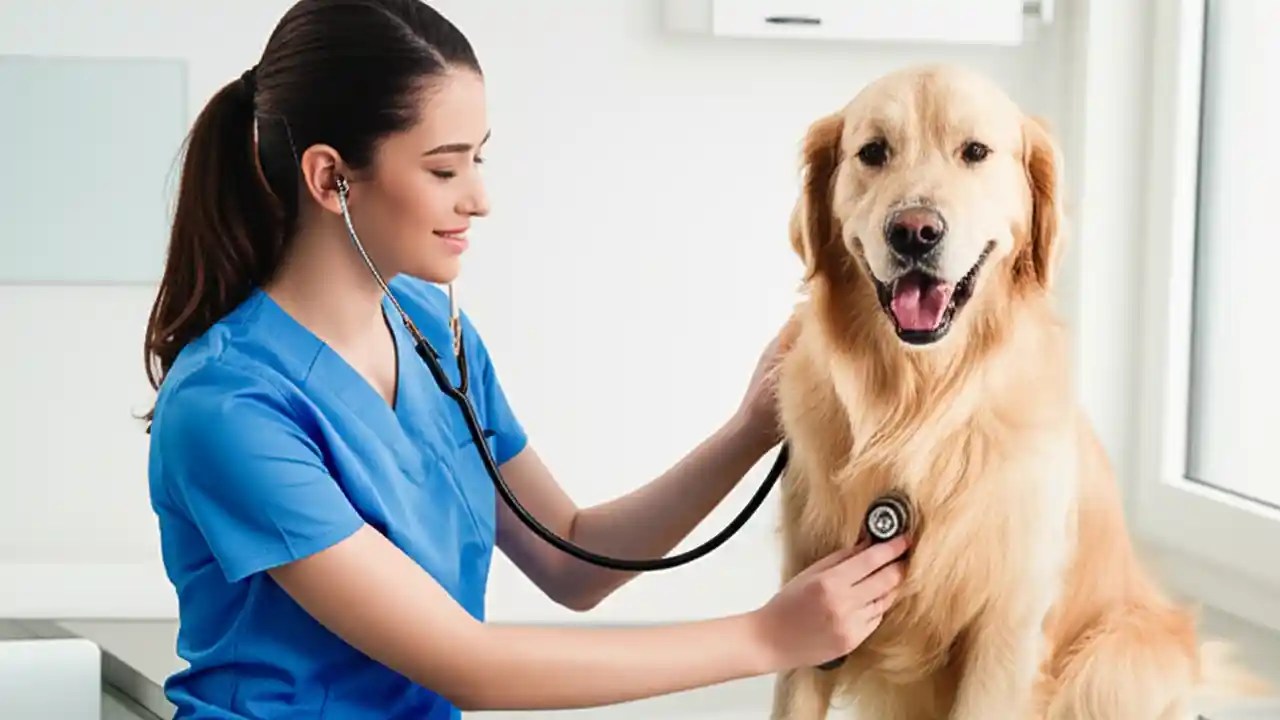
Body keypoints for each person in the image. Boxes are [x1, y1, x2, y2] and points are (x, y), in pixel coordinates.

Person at [142, 1, 909, 717]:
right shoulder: (228, 406)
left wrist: (750, 428)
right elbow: (467, 664)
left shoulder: (430, 333)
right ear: (329, 178)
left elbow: (573, 559)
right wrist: (768, 637)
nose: (479, 197)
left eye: (479, 158)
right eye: (445, 168)